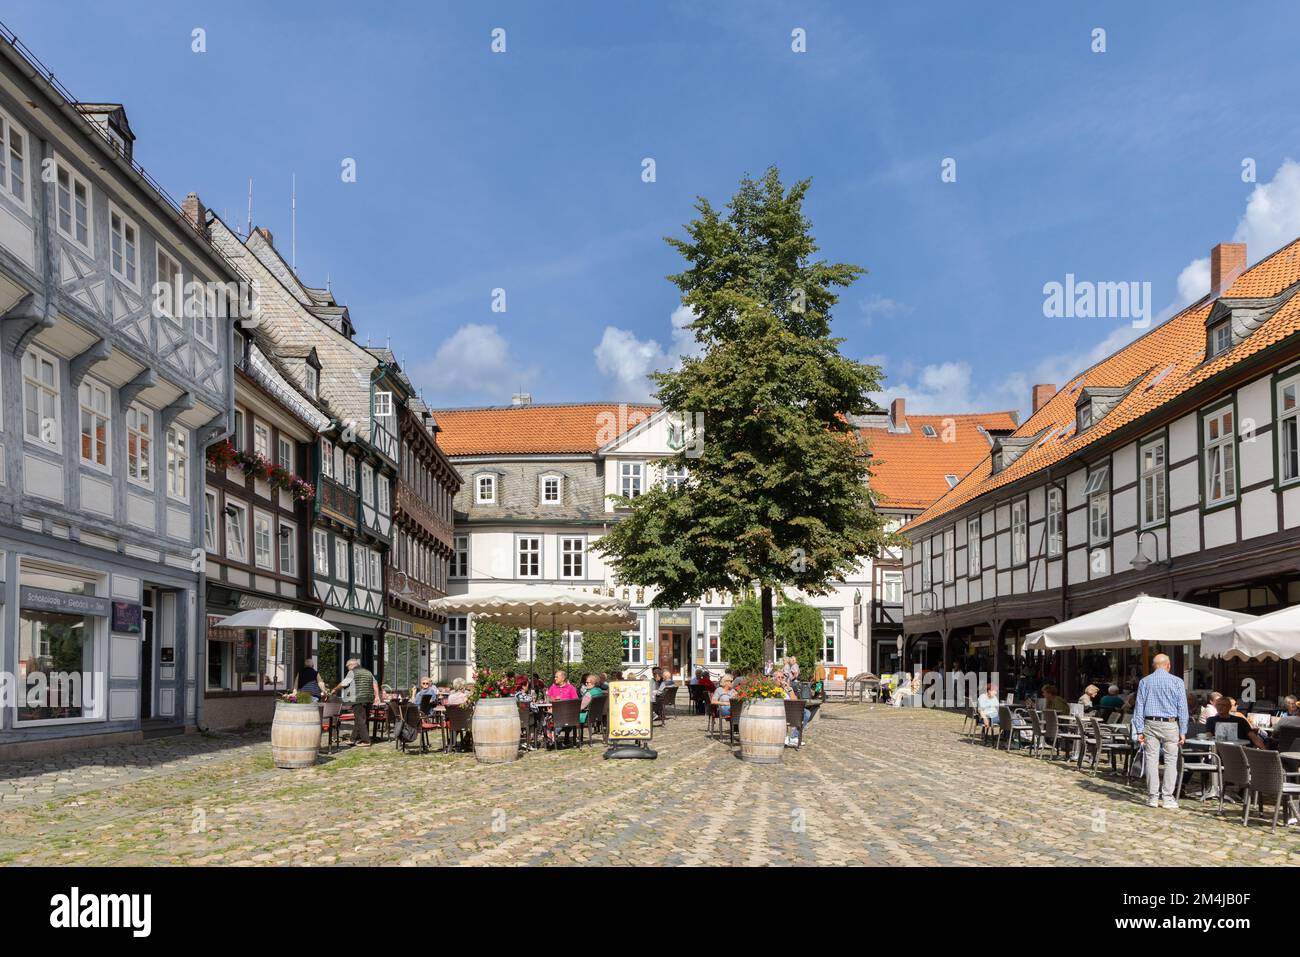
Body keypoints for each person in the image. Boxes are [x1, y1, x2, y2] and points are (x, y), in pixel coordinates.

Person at [1131, 653, 1189, 809]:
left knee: (1151, 760)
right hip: (1171, 724)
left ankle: (1153, 797)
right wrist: (1183, 730)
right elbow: (1182, 708)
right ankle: (1168, 797)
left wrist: (1138, 730)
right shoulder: (1177, 681)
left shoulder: (1145, 681)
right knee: (1171, 761)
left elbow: (1139, 707)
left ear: (1153, 666)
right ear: (1168, 665)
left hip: (1150, 723)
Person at [327, 658, 377, 747]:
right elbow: (375, 684)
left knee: (360, 720)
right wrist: (377, 696)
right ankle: (352, 739)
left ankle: (366, 741)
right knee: (360, 719)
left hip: (357, 699)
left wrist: (335, 689)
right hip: (369, 698)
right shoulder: (368, 672)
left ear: (351, 665)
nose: (347, 669)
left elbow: (344, 683)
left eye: (347, 667)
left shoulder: (352, 672)